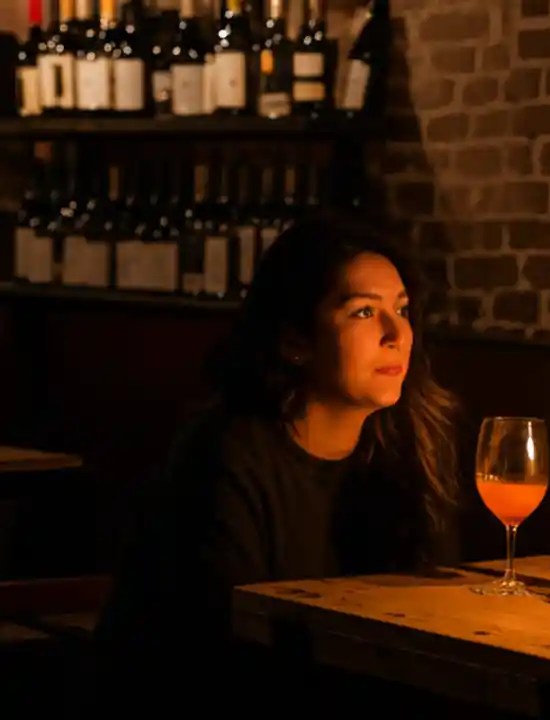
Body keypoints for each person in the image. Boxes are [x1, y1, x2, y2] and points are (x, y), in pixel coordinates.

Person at [94, 217, 459, 710]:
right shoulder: (226, 453)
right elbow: (223, 647)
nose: (397, 333)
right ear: (294, 341)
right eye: (362, 312)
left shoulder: (408, 447)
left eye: (402, 309)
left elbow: (433, 609)